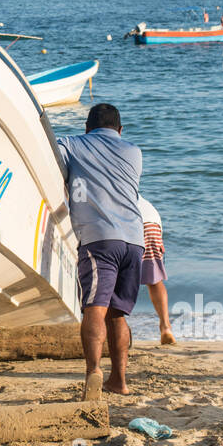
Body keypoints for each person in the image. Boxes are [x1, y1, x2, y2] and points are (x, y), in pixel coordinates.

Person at [56, 103, 144, 400]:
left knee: (95, 308)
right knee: (117, 314)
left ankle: (93, 372)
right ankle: (119, 381)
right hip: (134, 241)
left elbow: (47, 155)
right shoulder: (134, 151)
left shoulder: (72, 144)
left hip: (99, 239)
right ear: (120, 130)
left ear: (86, 128)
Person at [137, 195, 173, 346]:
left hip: (128, 222)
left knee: (114, 278)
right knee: (154, 280)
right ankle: (165, 326)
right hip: (152, 222)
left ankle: (114, 328)